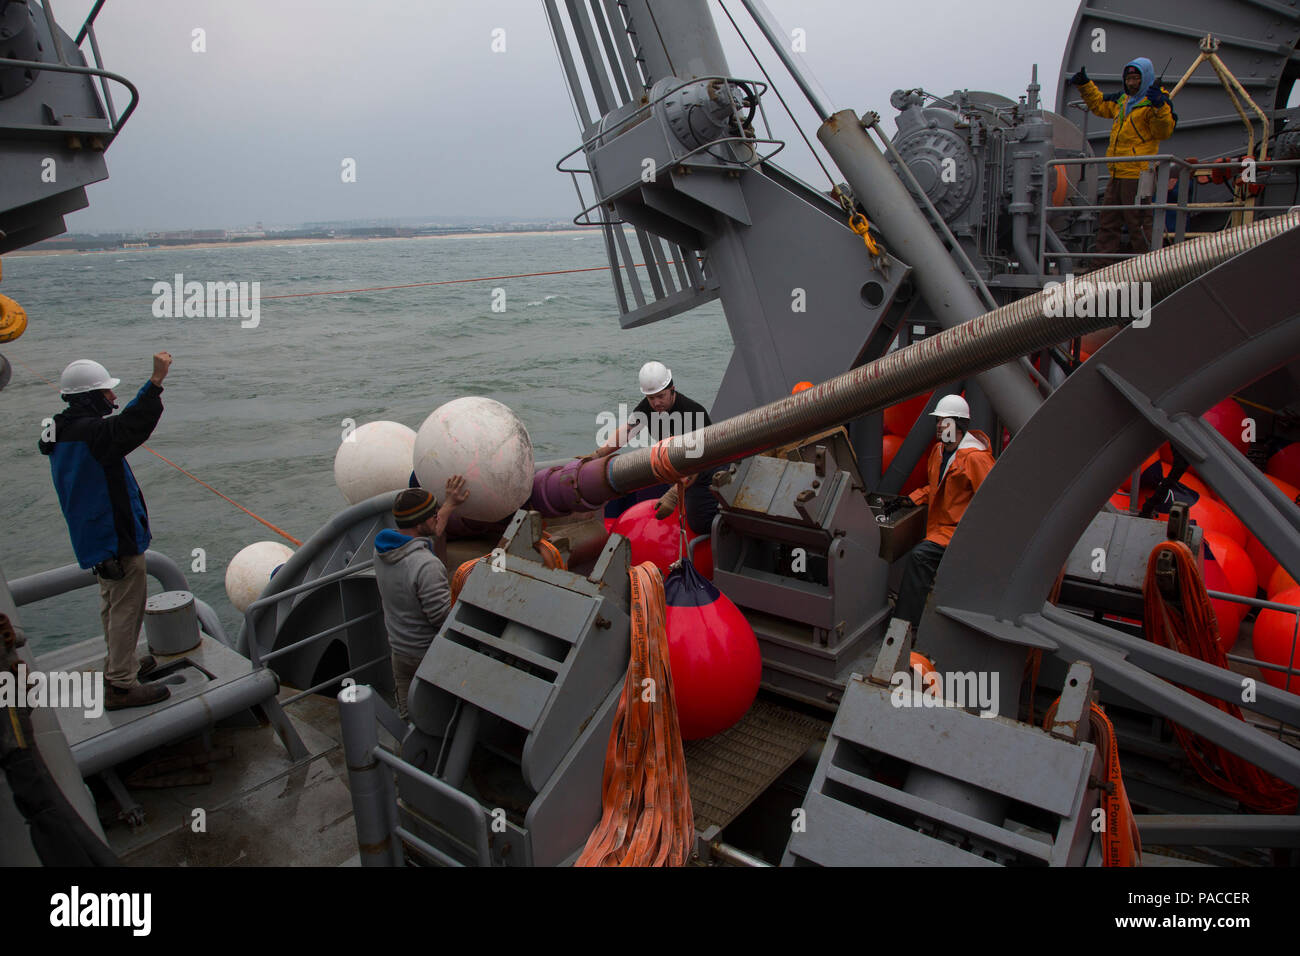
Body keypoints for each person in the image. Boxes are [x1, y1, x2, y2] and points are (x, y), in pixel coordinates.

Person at [39, 353, 173, 710]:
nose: (113, 399)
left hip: (93, 537)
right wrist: (155, 382)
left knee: (112, 604)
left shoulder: (59, 430)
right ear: (88, 397)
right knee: (126, 607)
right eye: (106, 393)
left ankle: (121, 665)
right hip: (114, 537)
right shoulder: (93, 434)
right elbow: (131, 425)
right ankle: (121, 685)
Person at [886, 395, 995, 629]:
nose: (937, 426)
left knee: (920, 557)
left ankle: (905, 625)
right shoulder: (938, 452)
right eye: (937, 421)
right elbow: (934, 487)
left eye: (942, 421)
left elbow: (992, 501)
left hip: (958, 533)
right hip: (938, 529)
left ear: (957, 424)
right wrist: (909, 500)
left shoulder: (975, 459)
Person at [373, 477, 468, 720]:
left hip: (399, 652)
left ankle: (406, 751)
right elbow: (441, 618)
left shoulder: (383, 550)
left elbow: (430, 530)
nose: (438, 516)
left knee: (408, 716)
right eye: (433, 513)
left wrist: (450, 504)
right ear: (419, 523)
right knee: (443, 719)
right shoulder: (426, 565)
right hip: (426, 654)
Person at [1069, 58, 1176, 263]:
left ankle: (1149, 266)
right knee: (1109, 221)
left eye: (1136, 78)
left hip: (1139, 173)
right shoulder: (1123, 100)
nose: (1132, 83)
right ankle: (1101, 265)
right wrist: (1085, 85)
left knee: (1139, 224)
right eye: (1129, 78)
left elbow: (1163, 132)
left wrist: (1159, 106)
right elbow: (1100, 105)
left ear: (1146, 78)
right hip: (1117, 172)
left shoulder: (1157, 102)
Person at [593, 360, 711, 520]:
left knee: (699, 521)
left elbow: (697, 463)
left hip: (701, 475)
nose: (656, 403)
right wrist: (598, 454)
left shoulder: (694, 412)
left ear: (672, 390)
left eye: (661, 396)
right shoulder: (649, 407)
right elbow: (627, 431)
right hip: (671, 466)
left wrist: (673, 495)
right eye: (651, 398)